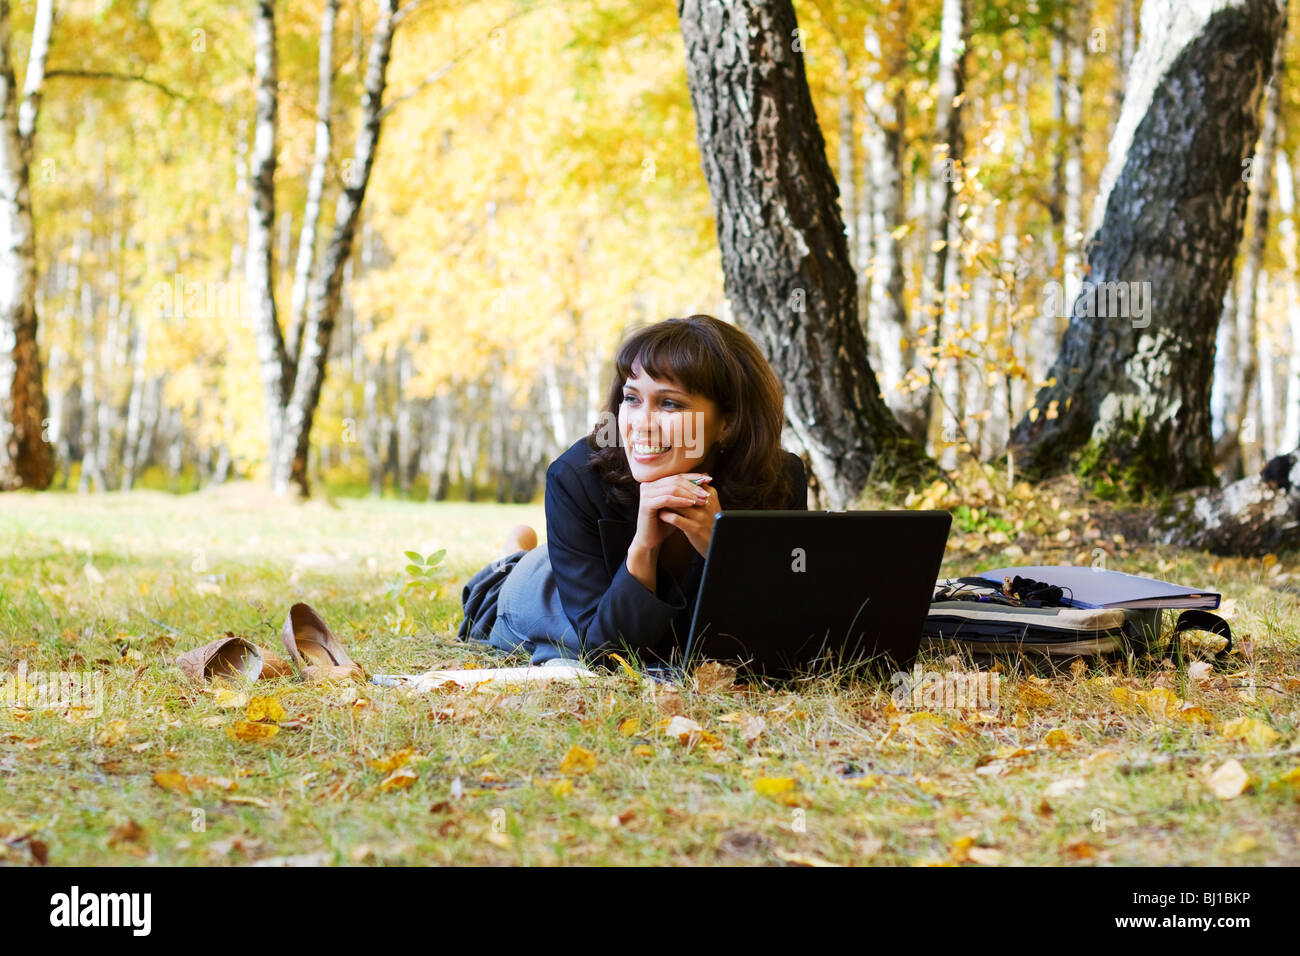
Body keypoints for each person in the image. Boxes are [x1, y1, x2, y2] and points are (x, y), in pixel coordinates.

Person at [456, 313, 808, 671]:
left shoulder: (777, 480)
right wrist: (644, 547)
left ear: (728, 423)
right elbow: (607, 655)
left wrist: (724, 553)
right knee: (522, 591)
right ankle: (512, 557)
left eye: (670, 403)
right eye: (632, 398)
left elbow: (784, 631)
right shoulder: (575, 477)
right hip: (548, 592)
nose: (641, 424)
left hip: (586, 565)